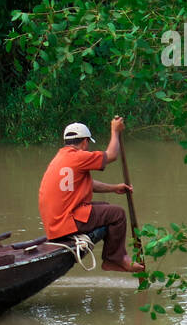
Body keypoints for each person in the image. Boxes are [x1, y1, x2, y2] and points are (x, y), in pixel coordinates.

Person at [37, 116, 144, 273]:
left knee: (106, 209)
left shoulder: (61, 158)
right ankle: (114, 259)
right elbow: (112, 155)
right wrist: (115, 131)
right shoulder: (78, 156)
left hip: (56, 223)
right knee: (118, 214)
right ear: (85, 141)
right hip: (66, 221)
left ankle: (112, 256)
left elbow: (88, 184)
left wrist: (114, 188)